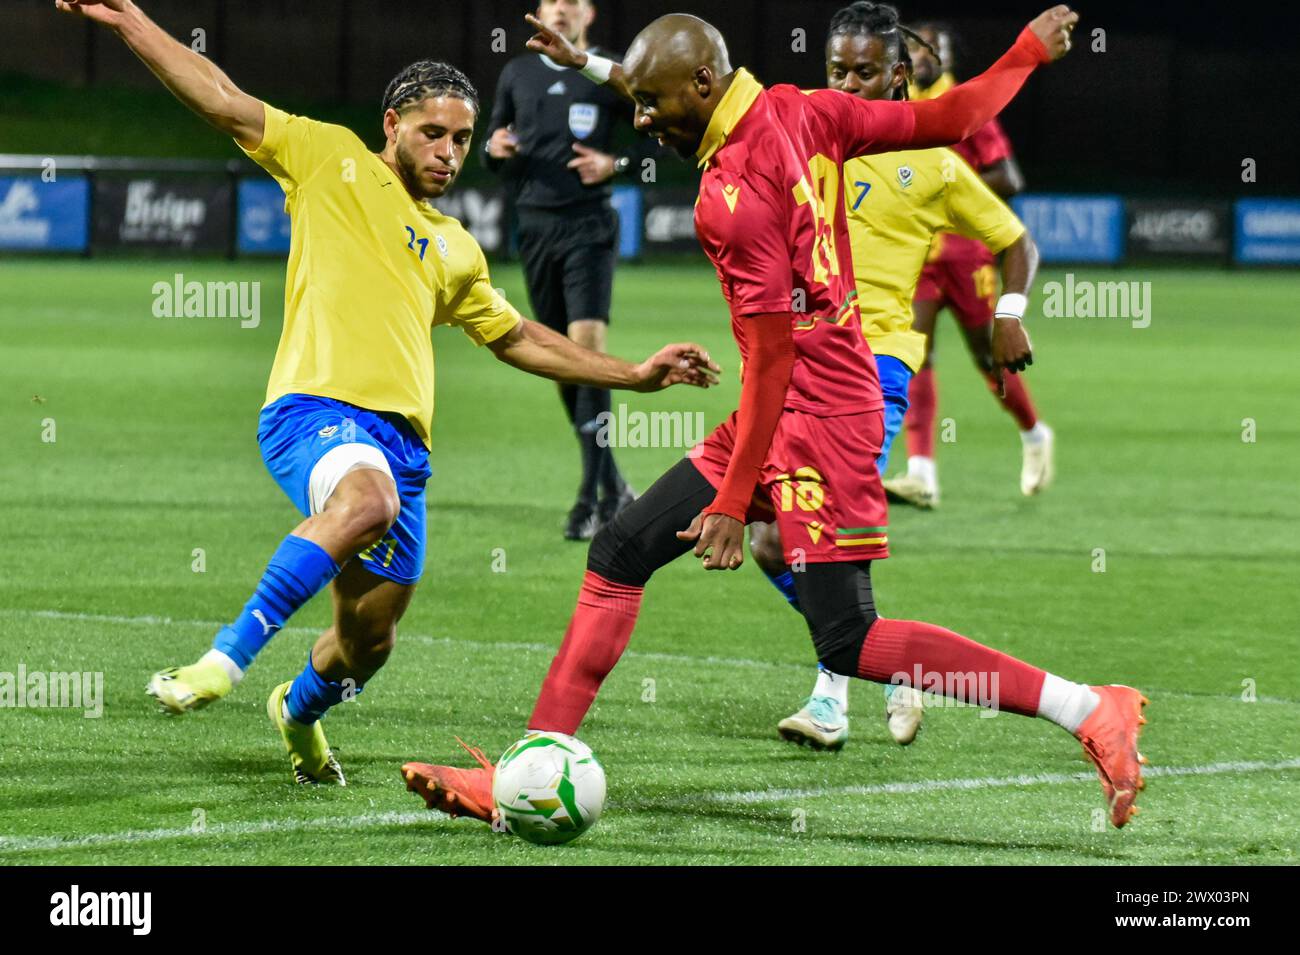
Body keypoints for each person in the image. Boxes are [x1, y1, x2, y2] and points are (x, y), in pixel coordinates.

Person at [402, 8, 1149, 831]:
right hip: (824, 396)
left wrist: (730, 500)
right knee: (621, 548)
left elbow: (770, 361)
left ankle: (1089, 707)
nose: (642, 120)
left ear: (702, 87)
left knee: (849, 640)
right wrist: (1027, 52)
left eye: (652, 105)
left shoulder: (732, 196)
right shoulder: (802, 108)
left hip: (819, 416)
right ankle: (525, 771)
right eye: (637, 103)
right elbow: (952, 117)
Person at [55, 0, 719, 785]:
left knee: (368, 642)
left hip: (403, 452)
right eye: (432, 133)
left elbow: (518, 337)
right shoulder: (327, 157)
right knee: (367, 500)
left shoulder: (455, 247)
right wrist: (129, 20)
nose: (448, 152)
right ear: (392, 124)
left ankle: (296, 712)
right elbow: (220, 95)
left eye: (463, 139)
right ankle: (222, 660)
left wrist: (635, 374)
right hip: (312, 411)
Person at [758, 1, 1041, 752]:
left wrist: (1009, 310)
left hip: (873, 367)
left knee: (828, 541)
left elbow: (1016, 241)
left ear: (900, 72)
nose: (848, 82)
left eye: (864, 70)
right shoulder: (803, 139)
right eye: (836, 69)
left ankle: (829, 700)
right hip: (796, 365)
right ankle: (889, 660)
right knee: (763, 538)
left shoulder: (938, 164)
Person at [485, 0, 647, 539]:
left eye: (571, 2)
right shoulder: (517, 72)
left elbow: (660, 136)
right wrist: (494, 147)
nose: (560, 9)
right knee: (560, 360)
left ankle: (590, 500)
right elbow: (489, 148)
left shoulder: (609, 72)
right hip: (533, 229)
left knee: (587, 350)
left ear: (589, 14)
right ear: (539, 11)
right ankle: (614, 484)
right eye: (552, 0)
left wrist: (616, 165)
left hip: (589, 227)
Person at [885, 21, 1055, 508]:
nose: (921, 58)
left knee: (988, 357)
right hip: (918, 255)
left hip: (966, 256)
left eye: (931, 50)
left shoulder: (963, 105)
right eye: (914, 49)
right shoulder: (899, 109)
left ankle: (1033, 433)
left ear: (946, 59)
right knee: (914, 355)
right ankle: (922, 473)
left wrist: (951, 194)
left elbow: (1009, 177)